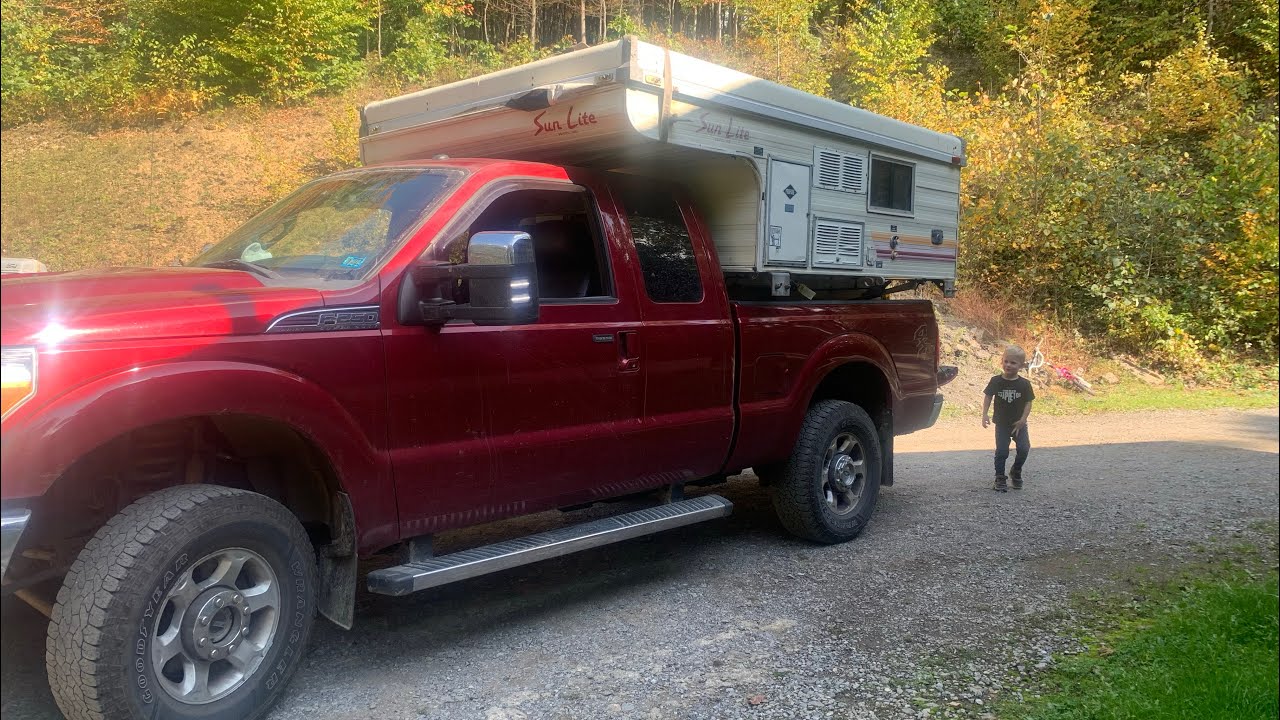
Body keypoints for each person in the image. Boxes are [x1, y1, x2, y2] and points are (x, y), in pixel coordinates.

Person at [982, 345, 1035, 492]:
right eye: (1006, 361)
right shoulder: (996, 381)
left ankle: (1016, 472)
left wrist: (1023, 419)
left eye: (1013, 363)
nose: (1008, 365)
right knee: (1002, 452)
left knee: (1024, 449)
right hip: (1002, 424)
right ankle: (1000, 478)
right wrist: (984, 414)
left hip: (1019, 424)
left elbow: (1028, 402)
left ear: (1021, 365)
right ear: (1001, 361)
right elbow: (988, 396)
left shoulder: (1024, 384)